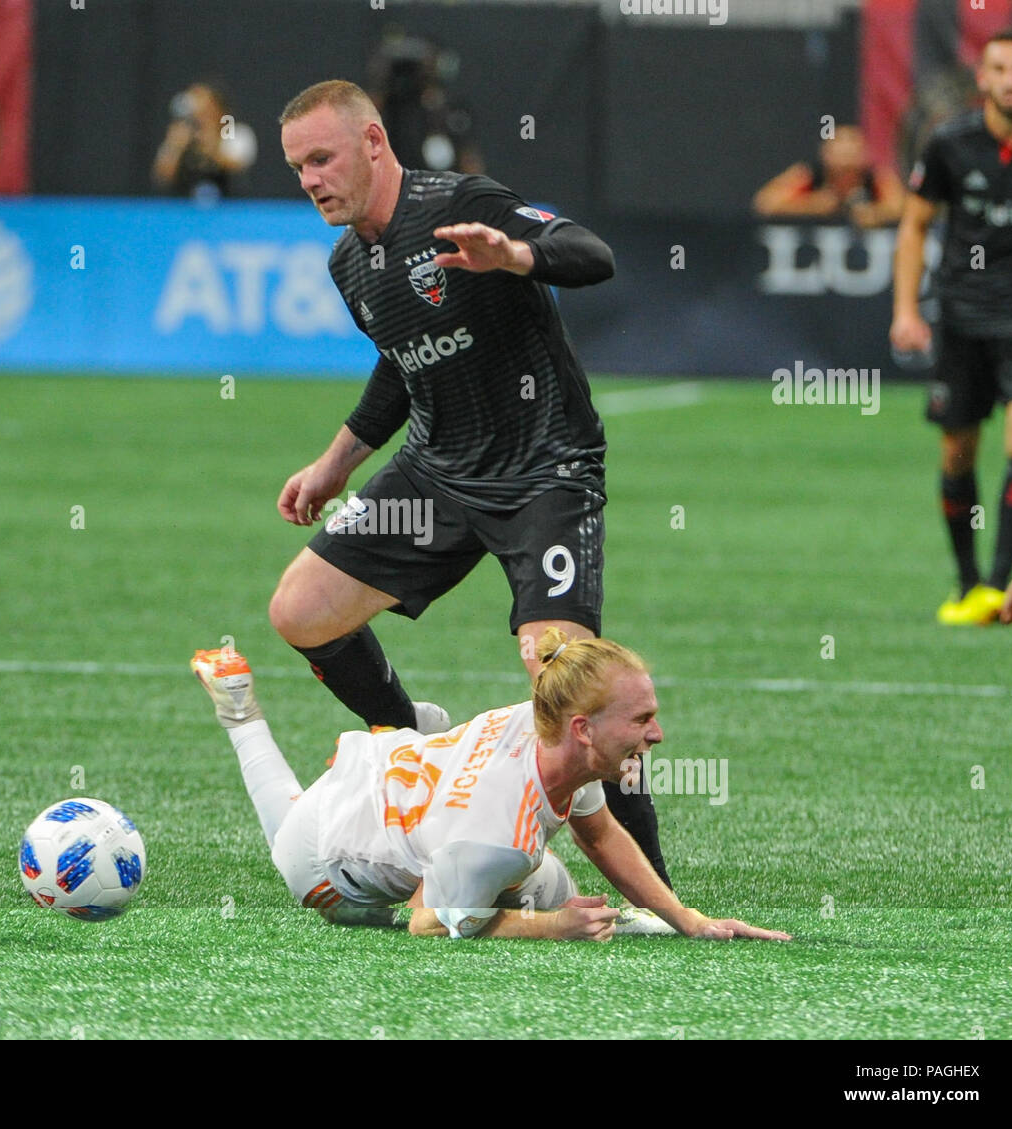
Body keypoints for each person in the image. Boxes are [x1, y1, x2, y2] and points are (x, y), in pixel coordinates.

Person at [267, 80, 675, 889]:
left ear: (374, 143)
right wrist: (335, 462)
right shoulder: (350, 262)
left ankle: (656, 888)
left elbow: (593, 254)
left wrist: (516, 254)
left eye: (322, 157)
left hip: (542, 470)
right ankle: (403, 726)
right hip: (438, 472)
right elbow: (399, 360)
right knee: (300, 612)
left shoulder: (461, 203)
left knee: (569, 681)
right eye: (296, 167)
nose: (310, 179)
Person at [190, 634, 790, 943]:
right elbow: (427, 921)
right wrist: (554, 929)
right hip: (327, 855)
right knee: (294, 844)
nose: (657, 735)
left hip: (405, 785)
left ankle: (414, 737)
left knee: (547, 880)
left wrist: (687, 918)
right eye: (640, 721)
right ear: (584, 730)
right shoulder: (496, 831)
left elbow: (601, 832)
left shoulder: (547, 727)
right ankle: (243, 719)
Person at [891, 28, 1012, 625]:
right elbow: (915, 224)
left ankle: (999, 588)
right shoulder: (950, 142)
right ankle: (968, 581)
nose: (1010, 80)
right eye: (1000, 68)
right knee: (957, 453)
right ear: (983, 77)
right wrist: (905, 310)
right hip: (963, 317)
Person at [753, 125, 904, 228]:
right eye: (840, 151)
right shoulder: (809, 175)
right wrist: (812, 206)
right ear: (826, 154)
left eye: (852, 152)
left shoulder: (877, 178)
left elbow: (903, 207)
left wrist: (876, 214)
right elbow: (765, 203)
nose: (845, 159)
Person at [152, 82, 256, 200]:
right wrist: (176, 146)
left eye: (207, 108)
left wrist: (210, 140)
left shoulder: (235, 131)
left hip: (229, 208)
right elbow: (163, 175)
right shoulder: (181, 136)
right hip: (185, 209)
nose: (202, 114)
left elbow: (235, 165)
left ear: (219, 109)